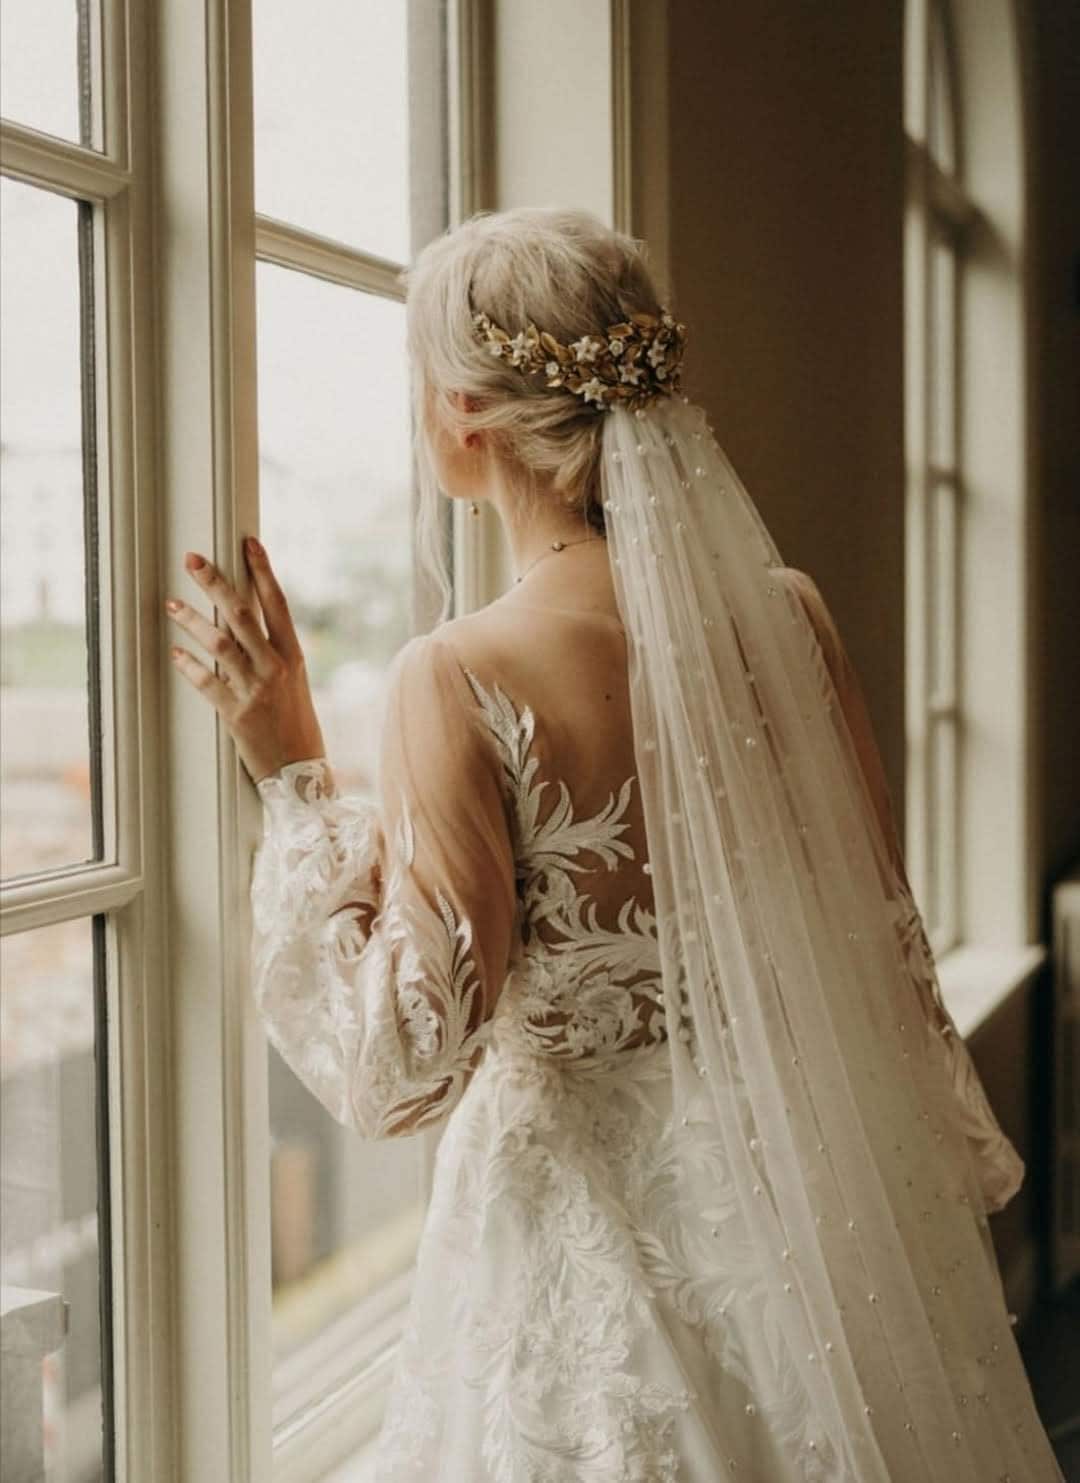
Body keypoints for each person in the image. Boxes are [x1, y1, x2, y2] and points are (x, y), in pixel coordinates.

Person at [166, 207, 1063, 1481]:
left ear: (461, 415)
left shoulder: (458, 673)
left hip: (582, 1251)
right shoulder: (789, 618)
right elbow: (875, 927)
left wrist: (295, 777)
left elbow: (399, 1066)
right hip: (799, 1208)